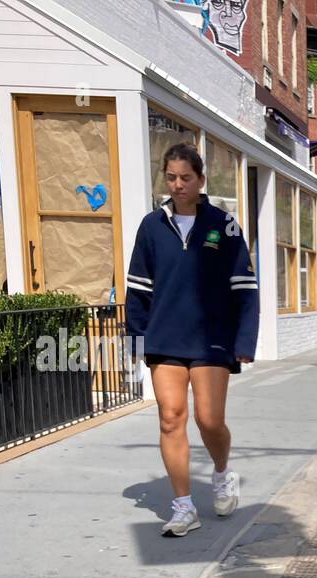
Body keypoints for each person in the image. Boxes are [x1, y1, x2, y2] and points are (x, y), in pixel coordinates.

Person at [125, 143, 258, 536]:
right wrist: (136, 341)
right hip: (164, 338)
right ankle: (183, 507)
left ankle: (221, 474)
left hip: (212, 340)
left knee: (209, 419)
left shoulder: (225, 225)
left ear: (201, 180)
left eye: (186, 178)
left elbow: (245, 288)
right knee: (170, 419)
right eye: (171, 177)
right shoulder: (152, 226)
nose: (178, 185)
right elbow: (138, 289)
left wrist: (244, 341)